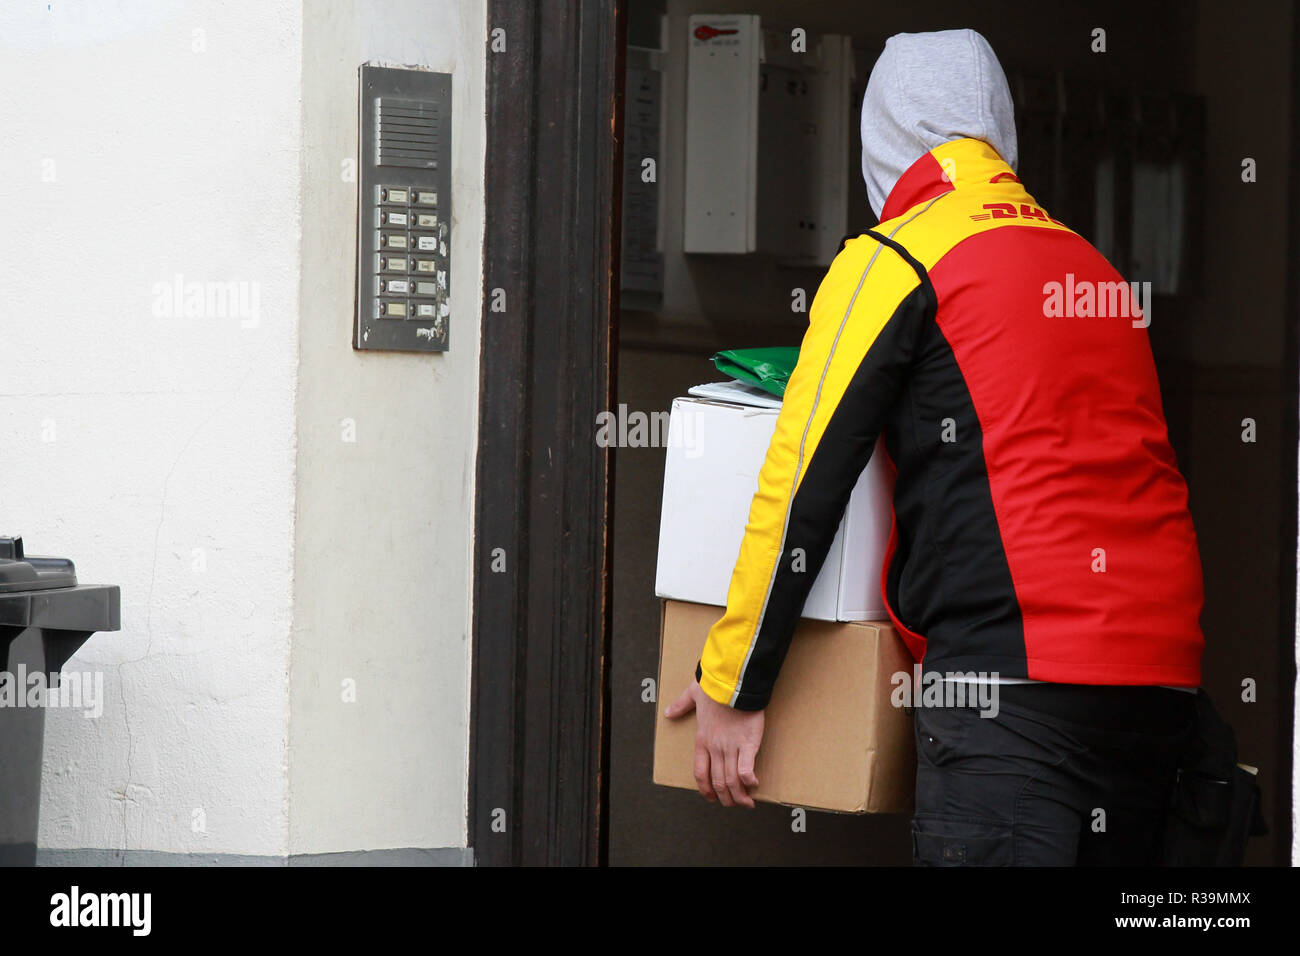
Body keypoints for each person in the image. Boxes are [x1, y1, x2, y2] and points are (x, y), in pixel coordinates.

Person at [664, 28, 1205, 866]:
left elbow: (806, 473)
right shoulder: (1089, 267)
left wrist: (734, 680)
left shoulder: (897, 257)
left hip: (1014, 690)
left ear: (882, 137)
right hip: (1163, 692)